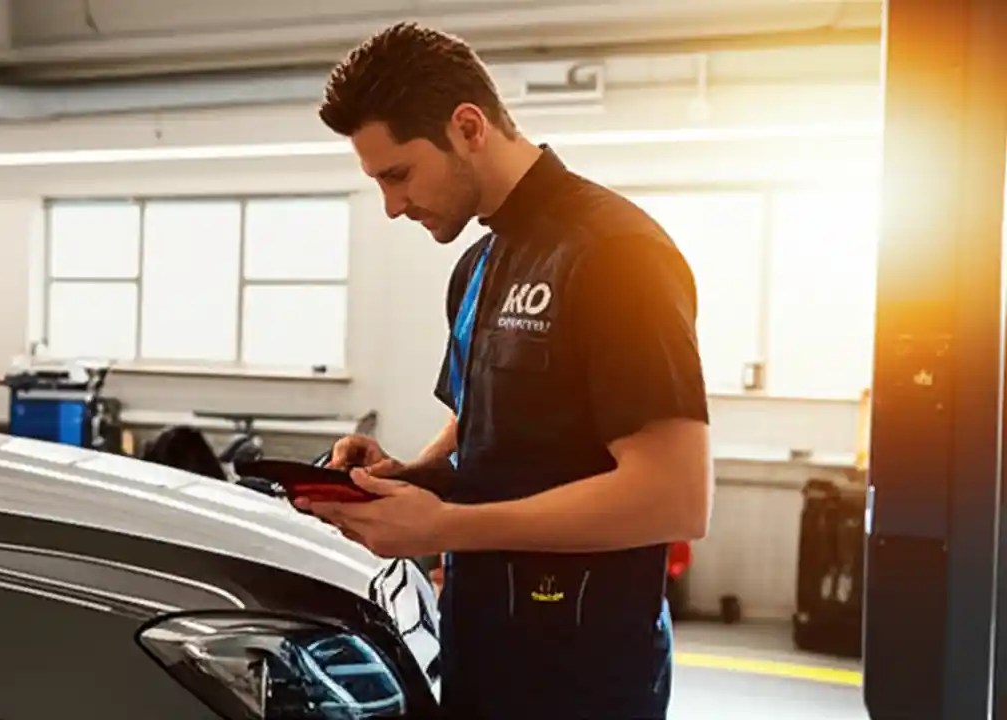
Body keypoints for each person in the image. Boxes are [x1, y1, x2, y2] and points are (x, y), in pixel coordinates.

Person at [304, 21, 715, 720]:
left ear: (468, 127)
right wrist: (406, 476)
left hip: (587, 667)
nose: (392, 206)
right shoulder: (478, 265)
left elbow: (674, 496)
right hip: (485, 643)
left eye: (398, 175)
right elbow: (484, 423)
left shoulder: (616, 253)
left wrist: (443, 528)